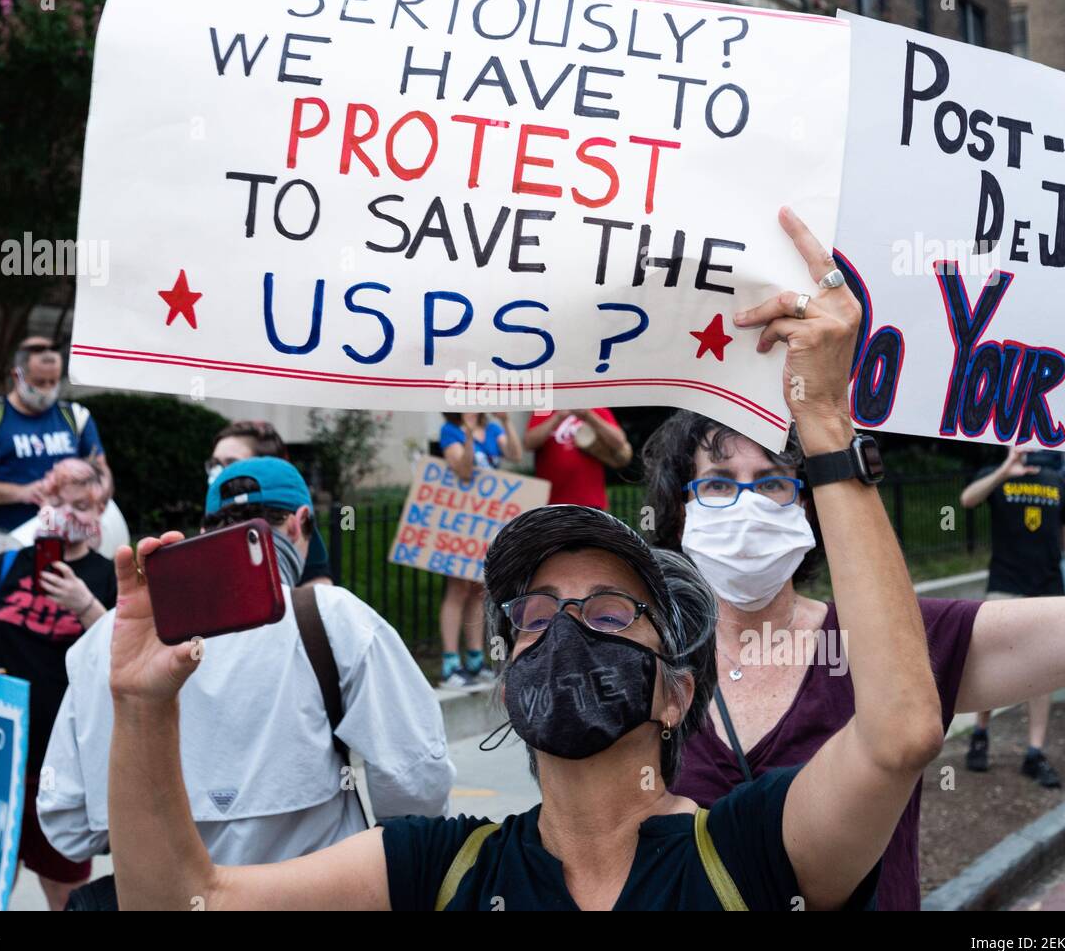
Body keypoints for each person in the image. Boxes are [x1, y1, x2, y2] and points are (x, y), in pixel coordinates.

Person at [102, 208, 947, 911]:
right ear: (509, 684)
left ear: (677, 690)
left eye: (612, 613)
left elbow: (900, 734)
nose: (567, 632)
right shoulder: (436, 871)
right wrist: (142, 708)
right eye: (537, 618)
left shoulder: (749, 851)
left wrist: (827, 423)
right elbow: (182, 900)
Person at [641, 211, 1065, 906]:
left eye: (774, 484)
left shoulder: (903, 651)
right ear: (678, 512)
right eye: (721, 485)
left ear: (812, 504)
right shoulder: (633, 669)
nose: (750, 506)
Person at [38, 457, 453, 886]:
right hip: (322, 895)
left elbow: (66, 824)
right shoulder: (334, 618)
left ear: (204, 532)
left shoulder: (111, 638)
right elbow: (417, 778)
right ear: (300, 523)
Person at [0, 458, 116, 910]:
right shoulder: (8, 566)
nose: (66, 513)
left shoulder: (111, 577)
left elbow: (123, 656)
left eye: (80, 504)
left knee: (64, 890)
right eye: (56, 501)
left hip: (61, 766)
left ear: (99, 511)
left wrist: (86, 606)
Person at [959, 447, 1065, 787]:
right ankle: (980, 733)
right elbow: (967, 500)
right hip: (1005, 585)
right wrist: (1006, 469)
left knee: (1043, 672)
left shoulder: (1056, 481)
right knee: (989, 663)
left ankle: (1034, 752)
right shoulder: (997, 475)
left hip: (1048, 587)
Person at [0, 337, 111, 576]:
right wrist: (22, 493)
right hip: (6, 539)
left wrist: (90, 506)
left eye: (53, 381)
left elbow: (101, 472)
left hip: (68, 543)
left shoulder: (75, 417)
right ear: (17, 376)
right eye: (38, 382)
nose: (46, 389)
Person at [437, 411, 520, 687]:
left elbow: (516, 455)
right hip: (462, 517)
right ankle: (450, 662)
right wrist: (469, 435)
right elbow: (463, 469)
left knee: (479, 588)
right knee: (457, 588)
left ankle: (474, 658)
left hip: (487, 517)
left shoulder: (494, 428)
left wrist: (507, 422)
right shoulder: (450, 431)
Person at [204, 418, 332, 585]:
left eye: (231, 463)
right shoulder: (213, 511)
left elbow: (318, 590)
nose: (219, 472)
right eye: (214, 464)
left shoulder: (297, 532)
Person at [524, 408, 630, 509]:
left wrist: (589, 416)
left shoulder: (597, 409)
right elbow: (529, 443)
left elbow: (619, 442)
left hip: (590, 501)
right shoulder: (544, 411)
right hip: (550, 502)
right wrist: (558, 417)